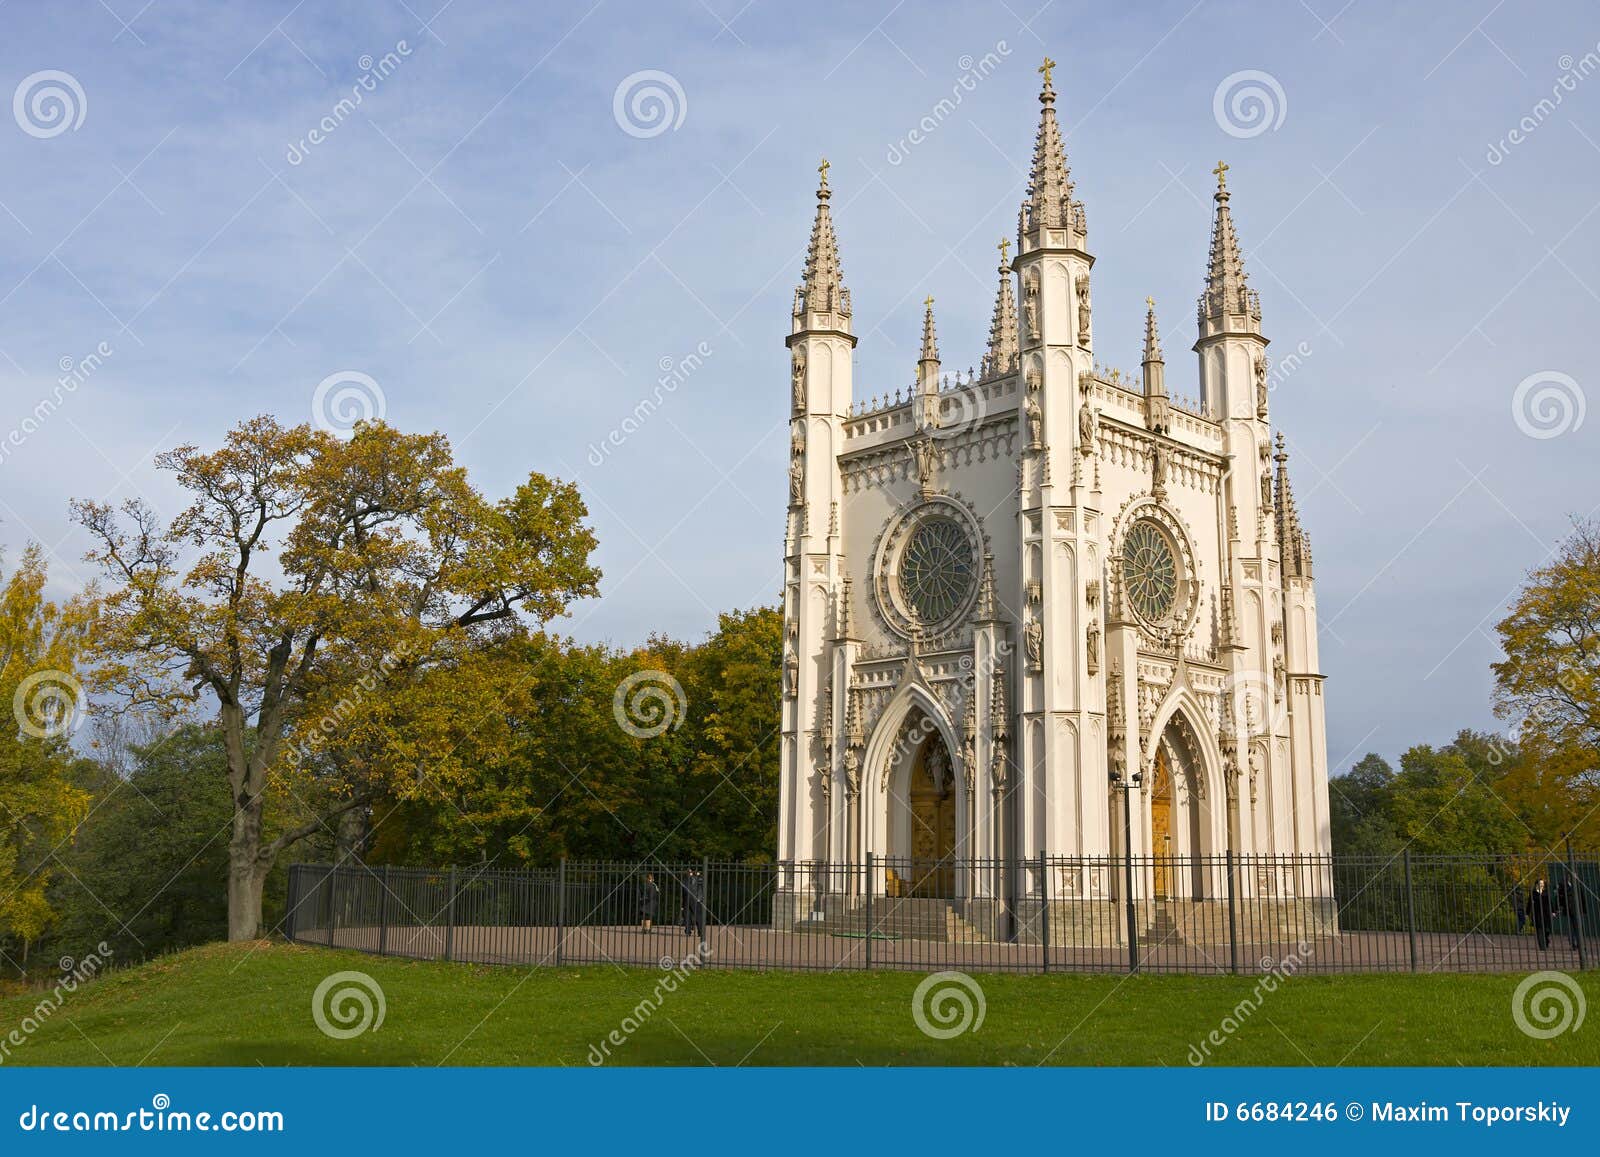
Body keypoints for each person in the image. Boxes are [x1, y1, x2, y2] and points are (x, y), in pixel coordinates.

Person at [1526, 878, 1553, 951]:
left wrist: (1553, 911)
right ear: (1536, 885)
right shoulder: (1533, 893)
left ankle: (1546, 940)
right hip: (1537, 913)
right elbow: (1529, 903)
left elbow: (1550, 903)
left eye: (1542, 883)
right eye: (1540, 883)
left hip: (1546, 914)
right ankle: (1542, 946)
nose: (1542, 885)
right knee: (1539, 930)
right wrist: (1527, 913)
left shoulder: (1546, 892)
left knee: (1546, 930)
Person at [682, 869, 707, 944]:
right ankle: (700, 931)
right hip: (696, 899)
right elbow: (701, 886)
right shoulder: (698, 879)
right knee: (698, 915)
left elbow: (683, 892)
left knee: (687, 915)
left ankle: (688, 931)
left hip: (688, 899)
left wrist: (683, 903)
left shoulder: (685, 880)